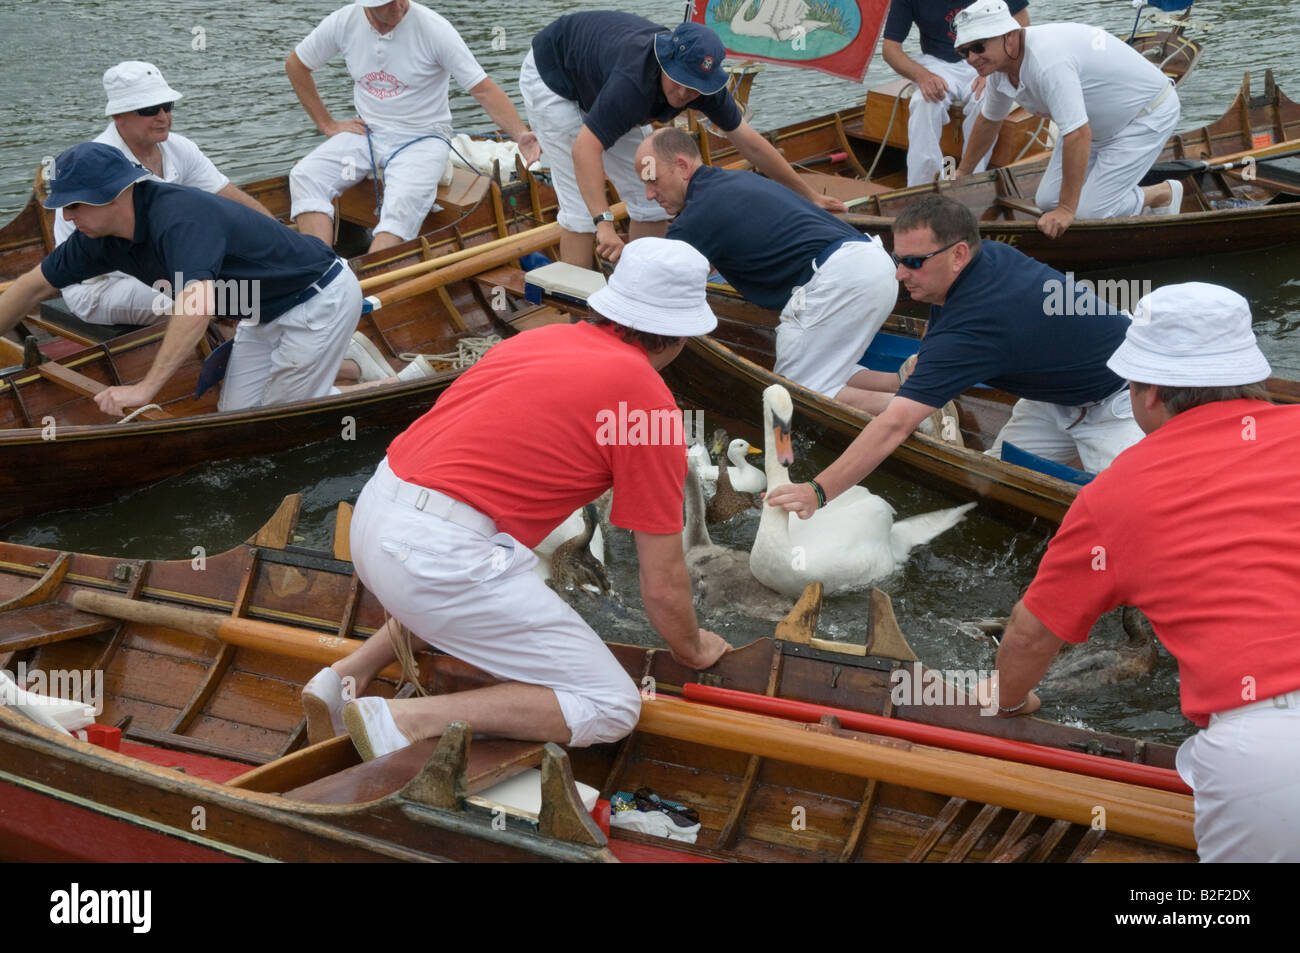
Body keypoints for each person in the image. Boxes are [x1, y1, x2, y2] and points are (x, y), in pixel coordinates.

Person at [299, 238, 730, 758]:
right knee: (613, 706)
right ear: (681, 335)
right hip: (435, 556)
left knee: (499, 565)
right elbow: (661, 582)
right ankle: (402, 720)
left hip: (375, 515)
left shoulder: (536, 340)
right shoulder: (650, 409)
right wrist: (694, 648)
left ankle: (344, 677)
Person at [988, 282, 1300, 862]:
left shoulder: (1117, 493)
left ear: (1149, 391)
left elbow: (1031, 633)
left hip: (1272, 756)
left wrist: (1009, 703)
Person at [764, 194, 1142, 518]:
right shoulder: (986, 258)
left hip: (1124, 396)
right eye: (898, 259)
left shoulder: (975, 328)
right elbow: (943, 328)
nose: (898, 274)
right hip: (1056, 397)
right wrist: (925, 361)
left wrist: (817, 491)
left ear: (959, 253)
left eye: (913, 262)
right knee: (996, 484)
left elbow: (893, 426)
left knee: (1134, 512)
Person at [0, 142, 361, 415]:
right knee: (234, 417)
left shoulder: (180, 218)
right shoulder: (96, 238)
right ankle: (353, 369)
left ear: (114, 195)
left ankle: (384, 383)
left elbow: (197, 303)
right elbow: (32, 287)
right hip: (260, 311)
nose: (64, 214)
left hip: (318, 299)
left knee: (278, 418)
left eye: (74, 204)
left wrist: (145, 389)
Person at [520, 12, 847, 267]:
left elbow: (751, 144)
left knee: (649, 197)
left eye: (694, 87)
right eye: (678, 81)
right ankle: (575, 319)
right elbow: (584, 149)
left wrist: (808, 195)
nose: (683, 94)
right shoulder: (632, 83)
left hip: (605, 86)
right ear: (665, 60)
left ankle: (636, 290)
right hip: (554, 76)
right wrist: (604, 222)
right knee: (580, 211)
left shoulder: (706, 89)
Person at [638, 127, 898, 411]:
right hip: (875, 263)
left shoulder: (696, 217)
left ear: (682, 166)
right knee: (826, 368)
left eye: (653, 181)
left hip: (839, 279)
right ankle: (900, 380)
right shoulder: (736, 180)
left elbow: (654, 289)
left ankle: (913, 411)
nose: (650, 194)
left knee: (796, 393)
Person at [286, 0, 539, 254]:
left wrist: (520, 135)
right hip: (367, 132)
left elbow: (482, 89)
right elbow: (296, 65)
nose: (398, 6)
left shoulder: (433, 28)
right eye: (387, 3)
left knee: (400, 204)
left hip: (423, 138)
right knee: (305, 176)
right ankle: (322, 270)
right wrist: (327, 124)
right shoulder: (344, 21)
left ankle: (371, 282)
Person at [53, 61, 274, 327]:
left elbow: (229, 197)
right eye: (149, 109)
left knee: (242, 282)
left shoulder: (180, 148)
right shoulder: (96, 164)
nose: (163, 117)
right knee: (213, 296)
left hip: (158, 264)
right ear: (118, 116)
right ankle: (232, 349)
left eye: (167, 106)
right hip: (99, 284)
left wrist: (279, 235)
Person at [951, 0, 1183, 237]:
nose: (971, 58)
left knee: (1085, 216)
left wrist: (1066, 209)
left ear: (1009, 37)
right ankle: (1107, 197)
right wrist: (962, 173)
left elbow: (1077, 134)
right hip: (1092, 126)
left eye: (978, 47)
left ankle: (1162, 193)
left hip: (1144, 117)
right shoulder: (999, 70)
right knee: (1046, 201)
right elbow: (989, 121)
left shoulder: (1047, 62)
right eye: (964, 51)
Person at [880, 0, 1029, 186]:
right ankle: (923, 186)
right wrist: (922, 76)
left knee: (985, 101)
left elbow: (1021, 23)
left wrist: (996, 67)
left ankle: (971, 181)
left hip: (987, 57)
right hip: (937, 64)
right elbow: (890, 49)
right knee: (923, 103)